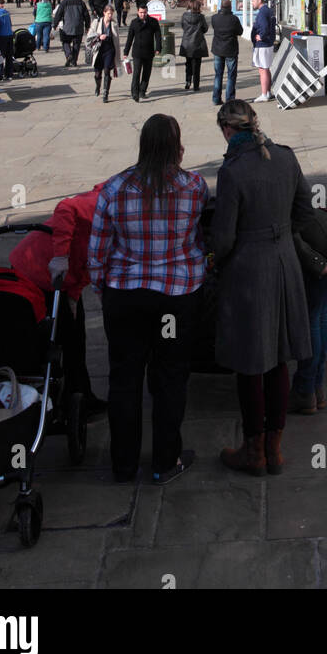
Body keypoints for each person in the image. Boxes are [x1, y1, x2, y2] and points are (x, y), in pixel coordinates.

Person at [88, 115, 208, 483]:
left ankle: (123, 465)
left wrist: (101, 288)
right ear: (177, 146)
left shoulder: (114, 188)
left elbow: (98, 251)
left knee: (124, 378)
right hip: (175, 297)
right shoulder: (194, 186)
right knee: (170, 377)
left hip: (125, 296)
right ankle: (164, 461)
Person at [210, 100, 312, 476]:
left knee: (251, 362)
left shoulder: (232, 171)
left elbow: (222, 237)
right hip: (284, 261)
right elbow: (305, 211)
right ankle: (275, 450)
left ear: (226, 129)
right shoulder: (285, 157)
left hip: (249, 269)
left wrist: (213, 260)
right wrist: (280, 236)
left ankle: (254, 453)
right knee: (279, 357)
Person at [9, 182, 109, 415]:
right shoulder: (103, 203)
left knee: (74, 336)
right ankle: (70, 398)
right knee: (62, 337)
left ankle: (78, 394)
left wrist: (74, 295)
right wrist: (61, 254)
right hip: (39, 270)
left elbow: (89, 259)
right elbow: (66, 208)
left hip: (62, 278)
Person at [290, 203, 327, 413]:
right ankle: (315, 388)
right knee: (319, 315)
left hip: (320, 246)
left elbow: (287, 227)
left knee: (313, 317)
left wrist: (315, 261)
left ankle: (305, 390)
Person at [124, 3, 161, 102]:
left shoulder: (153, 22)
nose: (142, 14)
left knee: (146, 73)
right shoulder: (134, 23)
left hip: (149, 51)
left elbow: (158, 35)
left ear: (147, 12)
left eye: (144, 13)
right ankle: (134, 93)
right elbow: (130, 38)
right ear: (137, 12)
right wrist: (125, 52)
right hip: (137, 52)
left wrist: (158, 48)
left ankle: (142, 91)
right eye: (141, 13)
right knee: (136, 73)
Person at [210, 0, 243, 105]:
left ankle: (216, 98)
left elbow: (215, 27)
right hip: (230, 50)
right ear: (230, 7)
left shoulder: (214, 18)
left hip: (218, 49)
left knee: (218, 75)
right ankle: (230, 99)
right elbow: (240, 31)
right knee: (231, 75)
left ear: (221, 6)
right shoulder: (234, 19)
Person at [91, 3, 122, 102]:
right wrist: (99, 36)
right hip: (99, 50)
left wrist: (118, 55)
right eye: (108, 13)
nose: (110, 16)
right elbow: (90, 35)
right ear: (104, 13)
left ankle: (106, 93)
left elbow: (116, 40)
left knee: (107, 70)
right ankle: (98, 86)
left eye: (111, 14)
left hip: (109, 50)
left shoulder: (114, 24)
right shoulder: (97, 22)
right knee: (97, 73)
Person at [53, 0, 91, 67]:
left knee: (65, 42)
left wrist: (55, 24)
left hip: (67, 27)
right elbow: (86, 15)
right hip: (79, 27)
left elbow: (59, 14)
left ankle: (68, 55)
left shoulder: (65, 2)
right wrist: (87, 26)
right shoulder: (81, 2)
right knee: (76, 44)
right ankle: (74, 61)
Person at [249, 0, 275, 102]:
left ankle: (264, 94)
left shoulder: (263, 12)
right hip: (267, 44)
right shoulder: (267, 10)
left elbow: (264, 27)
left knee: (262, 69)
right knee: (266, 68)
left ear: (259, 0)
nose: (252, 4)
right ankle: (268, 92)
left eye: (253, 1)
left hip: (263, 45)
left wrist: (261, 36)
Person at [179, 1, 208, 94]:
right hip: (197, 43)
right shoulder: (201, 17)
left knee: (188, 64)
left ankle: (188, 82)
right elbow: (205, 28)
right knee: (197, 66)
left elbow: (183, 26)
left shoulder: (184, 16)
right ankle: (196, 85)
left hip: (187, 43)